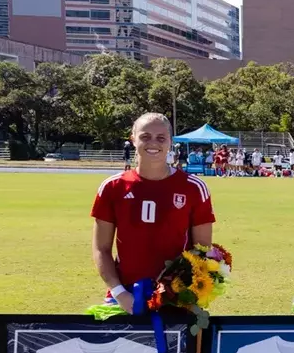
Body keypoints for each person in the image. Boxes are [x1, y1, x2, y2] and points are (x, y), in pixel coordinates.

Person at [91, 113, 216, 311]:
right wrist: (120, 294)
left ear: (170, 142)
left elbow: (202, 250)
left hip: (178, 301)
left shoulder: (193, 187)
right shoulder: (112, 187)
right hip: (124, 298)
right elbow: (101, 248)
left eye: (161, 138)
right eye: (145, 136)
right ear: (133, 139)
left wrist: (184, 293)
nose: (153, 143)